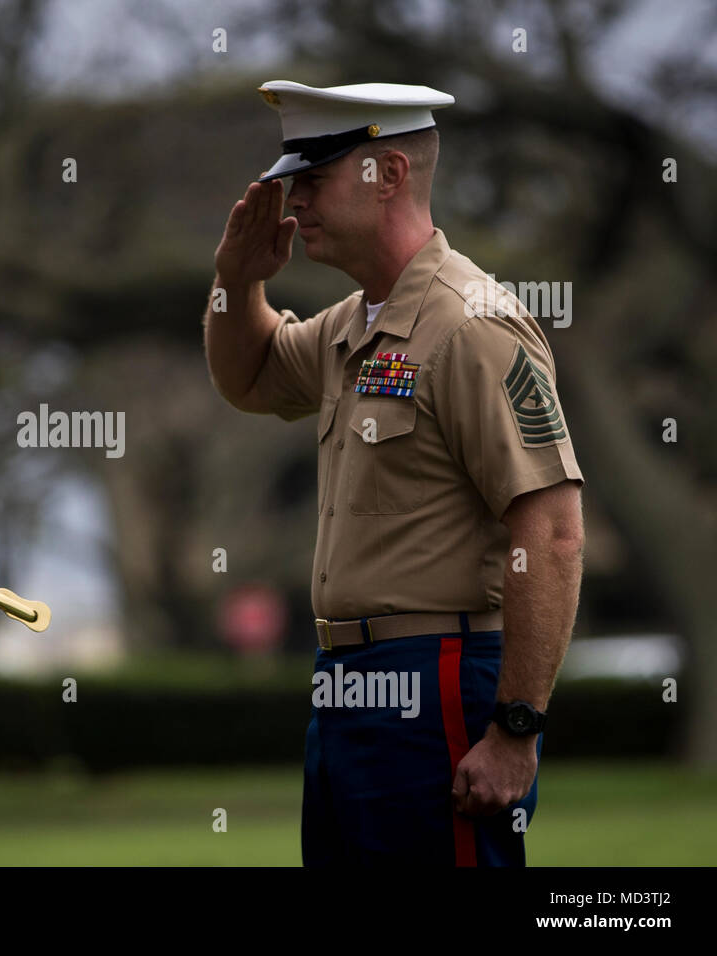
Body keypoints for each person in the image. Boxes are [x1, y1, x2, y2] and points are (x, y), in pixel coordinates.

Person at [203, 80, 585, 865]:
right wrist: (237, 282)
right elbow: (249, 378)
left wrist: (515, 731)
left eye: (313, 179)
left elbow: (549, 530)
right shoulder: (356, 320)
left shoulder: (471, 325)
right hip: (347, 684)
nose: (293, 201)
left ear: (390, 175)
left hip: (439, 678)